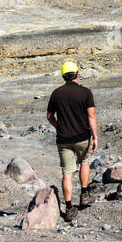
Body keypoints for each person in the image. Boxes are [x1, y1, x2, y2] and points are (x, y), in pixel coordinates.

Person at [46, 60, 97, 222]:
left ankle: (68, 208)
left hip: (63, 139)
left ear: (63, 76)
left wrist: (59, 126)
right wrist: (95, 136)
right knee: (85, 162)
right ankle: (84, 194)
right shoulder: (86, 92)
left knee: (67, 172)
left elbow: (49, 116)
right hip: (83, 136)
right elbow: (91, 116)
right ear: (77, 74)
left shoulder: (56, 93)